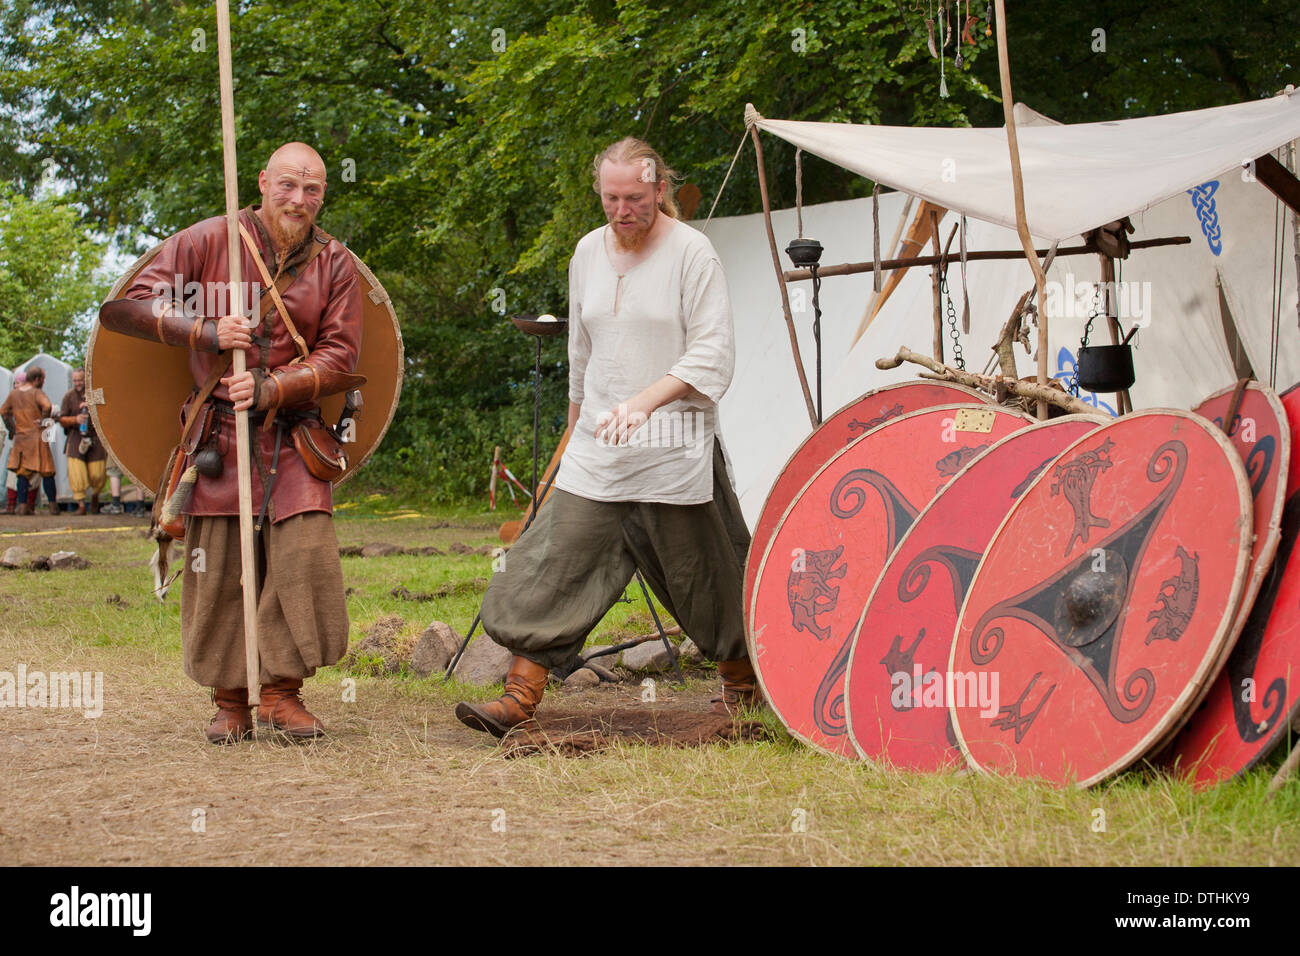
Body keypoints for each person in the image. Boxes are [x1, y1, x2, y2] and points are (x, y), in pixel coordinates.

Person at [456, 137, 760, 738]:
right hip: (599, 451)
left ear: (660, 190)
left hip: (674, 450)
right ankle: (519, 698)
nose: (622, 211)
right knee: (553, 562)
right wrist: (575, 432)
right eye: (611, 198)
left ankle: (742, 687)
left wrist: (645, 402)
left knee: (704, 574)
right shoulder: (587, 252)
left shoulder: (692, 254)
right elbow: (582, 351)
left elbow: (714, 352)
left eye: (635, 199)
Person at [99, 142, 364, 744]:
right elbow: (126, 308)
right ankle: (231, 700)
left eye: (313, 189)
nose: (300, 199)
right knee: (217, 565)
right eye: (289, 185)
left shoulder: (336, 264)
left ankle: (281, 694)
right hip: (218, 434)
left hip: (295, 434)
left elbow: (342, 357)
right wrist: (206, 328)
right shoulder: (208, 240)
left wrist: (273, 386)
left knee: (302, 560)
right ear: (265, 181)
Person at [1, 366, 58, 515]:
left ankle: (22, 507)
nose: (43, 382)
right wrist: (44, 421)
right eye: (43, 380)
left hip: (21, 438)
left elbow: (3, 411)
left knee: (22, 473)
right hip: (37, 436)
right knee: (47, 471)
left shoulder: (14, 394)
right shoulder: (36, 392)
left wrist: (13, 429)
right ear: (37, 379)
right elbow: (47, 406)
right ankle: (53, 507)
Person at [58, 368, 108, 514]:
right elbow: (61, 419)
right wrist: (75, 419)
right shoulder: (68, 396)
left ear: (85, 378)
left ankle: (95, 496)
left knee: (97, 474)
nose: (77, 383)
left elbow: (107, 411)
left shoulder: (95, 392)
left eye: (80, 380)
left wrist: (91, 404)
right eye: (75, 380)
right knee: (76, 472)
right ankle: (80, 505)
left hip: (95, 437)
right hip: (76, 437)